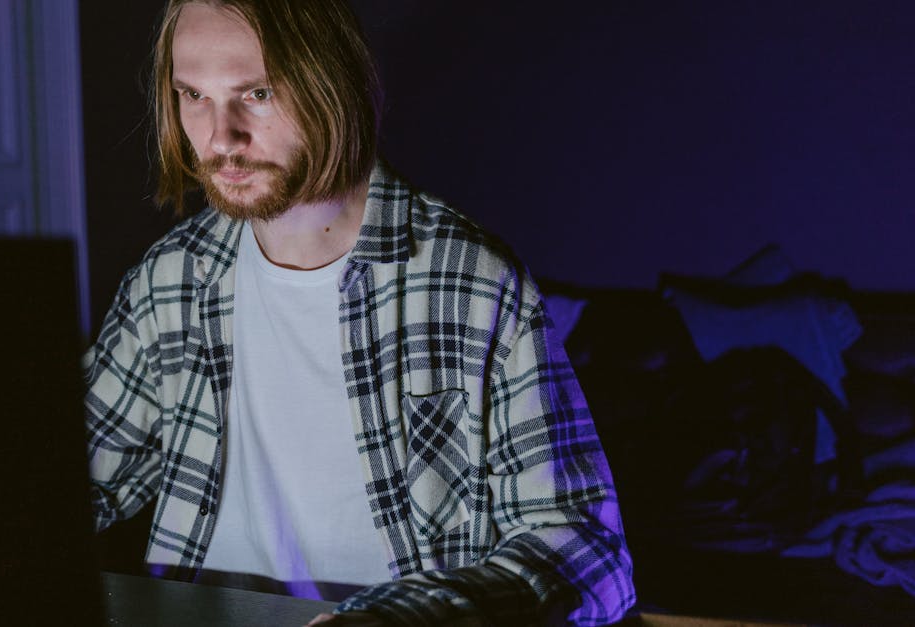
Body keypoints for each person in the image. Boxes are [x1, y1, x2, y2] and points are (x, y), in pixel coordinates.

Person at [84, 1, 636, 624]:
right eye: (193, 95)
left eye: (257, 94)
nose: (219, 138)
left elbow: (588, 551)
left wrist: (398, 618)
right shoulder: (169, 280)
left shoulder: (470, 282)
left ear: (333, 80)